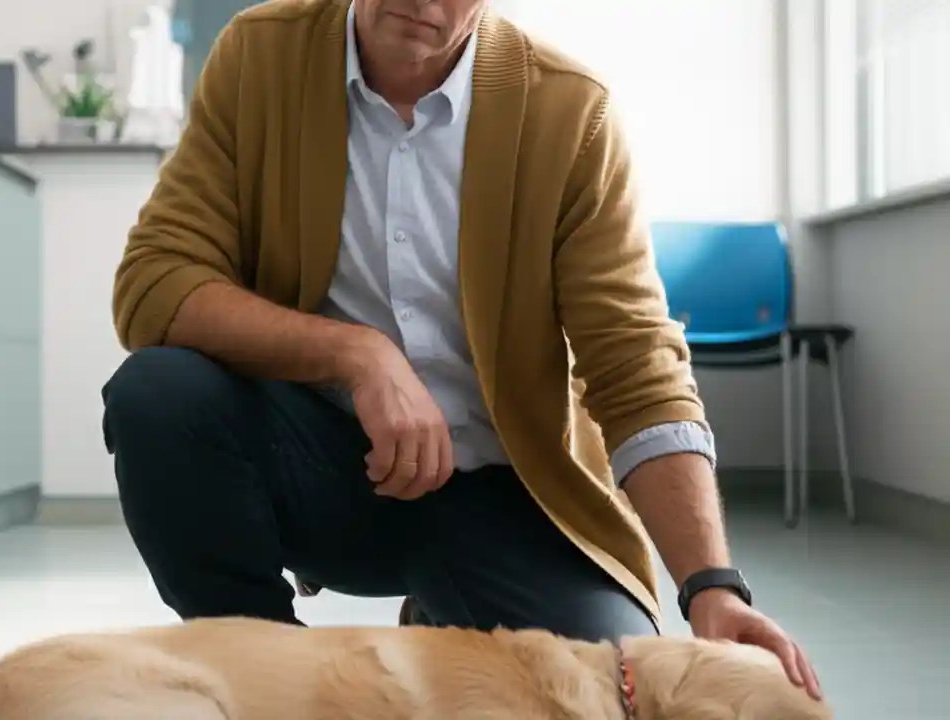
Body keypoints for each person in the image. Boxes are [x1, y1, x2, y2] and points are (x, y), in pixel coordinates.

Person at [103, 0, 822, 700]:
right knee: (159, 396)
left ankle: (443, 616)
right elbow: (154, 279)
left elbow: (635, 364)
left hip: (511, 497)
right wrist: (356, 355)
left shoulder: (571, 111)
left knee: (599, 694)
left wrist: (710, 585)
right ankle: (266, 678)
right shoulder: (260, 55)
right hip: (327, 475)